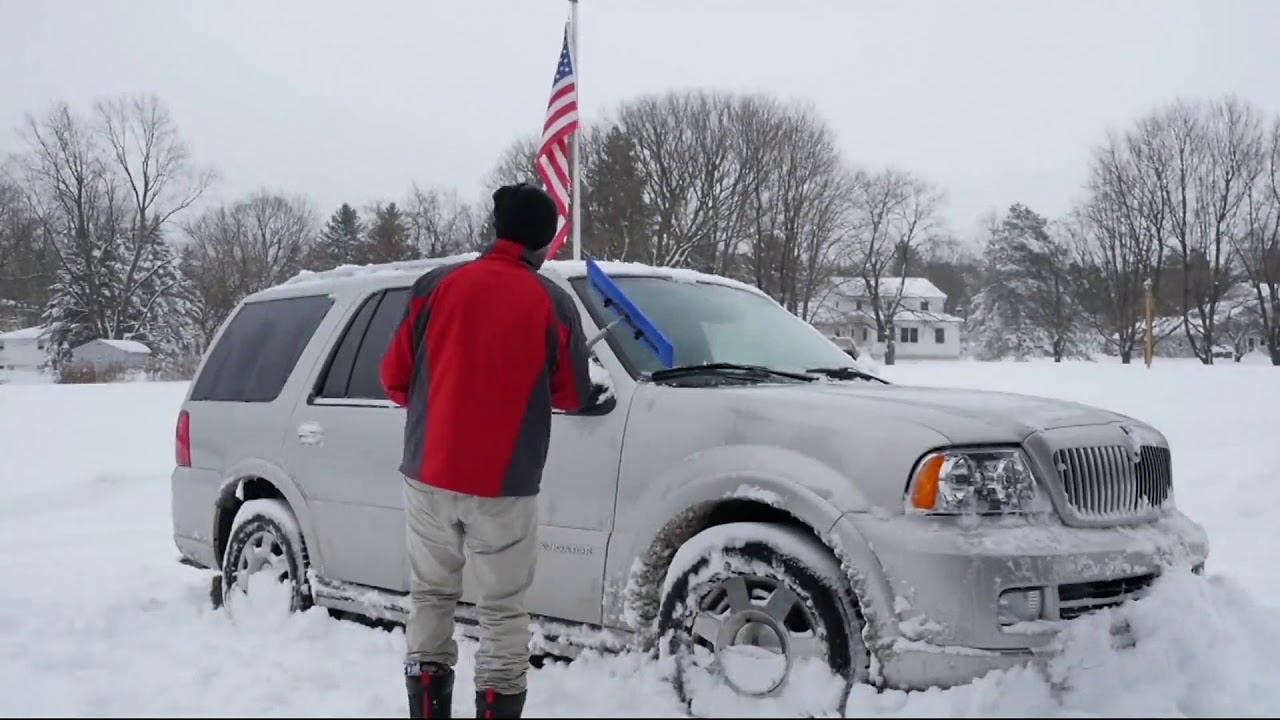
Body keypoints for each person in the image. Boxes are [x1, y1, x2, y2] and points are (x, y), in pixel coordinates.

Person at [380, 182, 595, 719]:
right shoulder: (551, 302)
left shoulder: (436, 286)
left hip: (428, 476)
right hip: (505, 486)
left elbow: (394, 379)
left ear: (497, 229)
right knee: (502, 611)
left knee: (431, 596)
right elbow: (572, 393)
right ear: (544, 243)